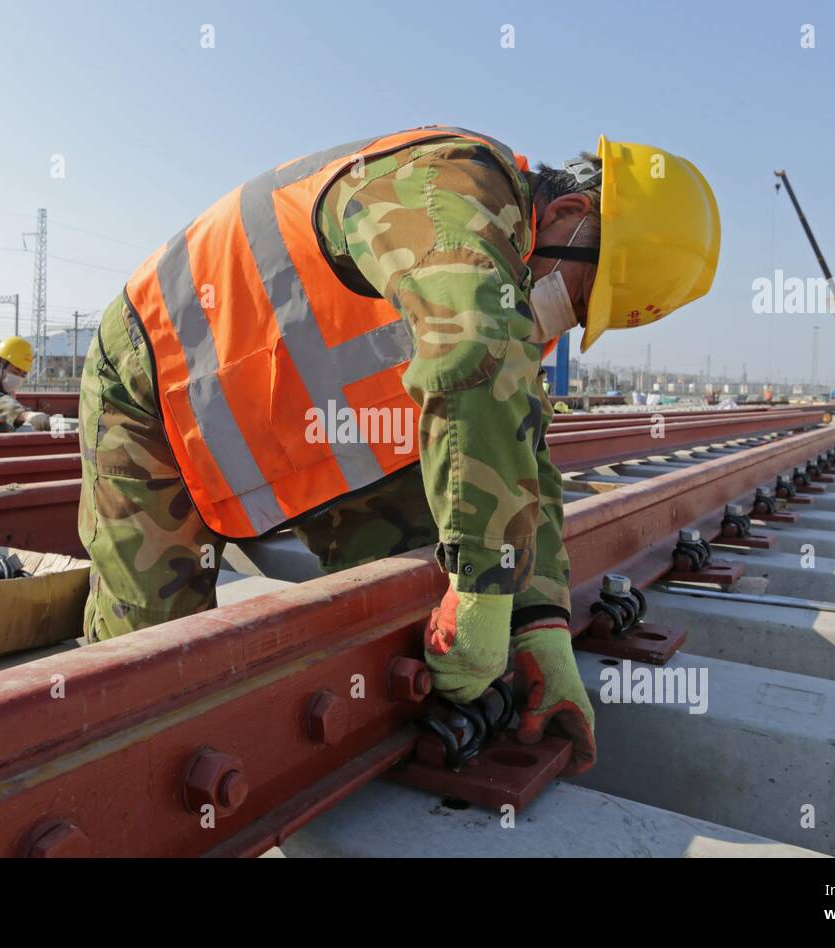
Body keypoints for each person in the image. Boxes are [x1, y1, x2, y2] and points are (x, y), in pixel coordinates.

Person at [77, 127, 719, 772]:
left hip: (297, 415)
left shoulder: (514, 279)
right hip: (152, 379)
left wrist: (540, 619)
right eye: (581, 295)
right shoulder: (451, 187)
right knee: (153, 665)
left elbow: (517, 450)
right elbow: (471, 355)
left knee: (411, 590)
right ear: (568, 214)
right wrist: (485, 588)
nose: (569, 316)